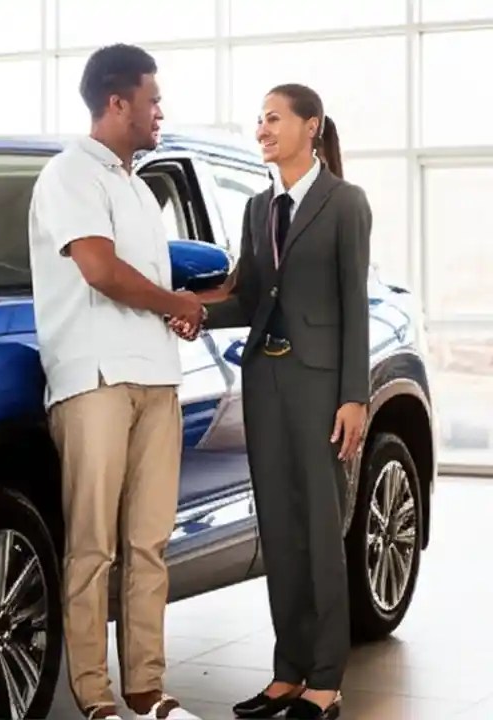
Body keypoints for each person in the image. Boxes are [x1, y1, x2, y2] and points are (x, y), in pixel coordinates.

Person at [28, 43, 204, 720]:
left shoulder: (137, 183)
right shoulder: (71, 174)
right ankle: (95, 697)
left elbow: (140, 278)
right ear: (116, 101)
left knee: (148, 544)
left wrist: (180, 309)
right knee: (93, 546)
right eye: (151, 100)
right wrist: (175, 303)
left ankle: (147, 691)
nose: (160, 111)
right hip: (94, 378)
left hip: (155, 376)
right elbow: (98, 270)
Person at [187, 84, 370, 720]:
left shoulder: (345, 203)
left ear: (310, 126)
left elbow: (355, 304)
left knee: (321, 531)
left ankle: (326, 680)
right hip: (265, 380)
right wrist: (189, 311)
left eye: (273, 118)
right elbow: (248, 297)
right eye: (258, 119)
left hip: (322, 386)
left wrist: (354, 396)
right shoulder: (259, 207)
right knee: (281, 532)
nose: (261, 129)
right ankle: (286, 673)